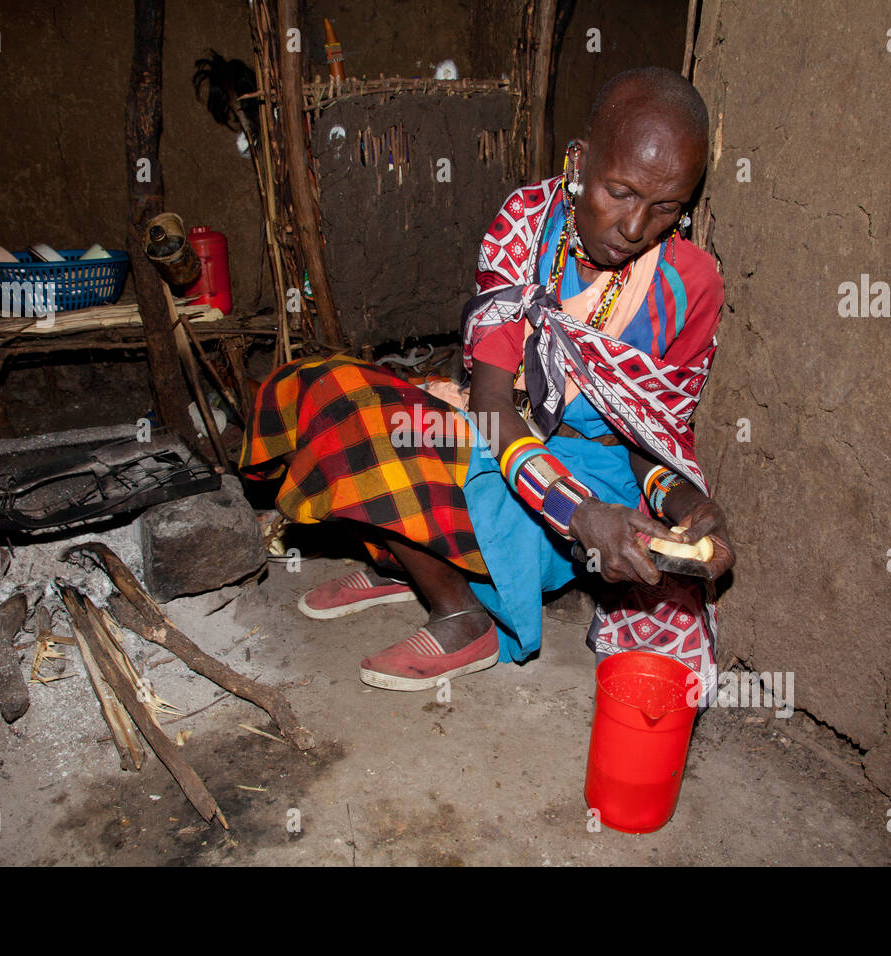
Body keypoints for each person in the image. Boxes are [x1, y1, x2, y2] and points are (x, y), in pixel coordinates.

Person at [239, 66, 735, 704]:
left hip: (597, 482)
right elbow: (494, 404)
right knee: (332, 392)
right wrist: (574, 512)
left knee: (389, 438)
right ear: (578, 163)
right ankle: (420, 569)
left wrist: (684, 506)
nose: (636, 227)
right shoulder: (526, 225)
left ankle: (460, 614)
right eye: (619, 191)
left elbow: (652, 431)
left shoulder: (690, 284)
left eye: (666, 206)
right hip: (511, 440)